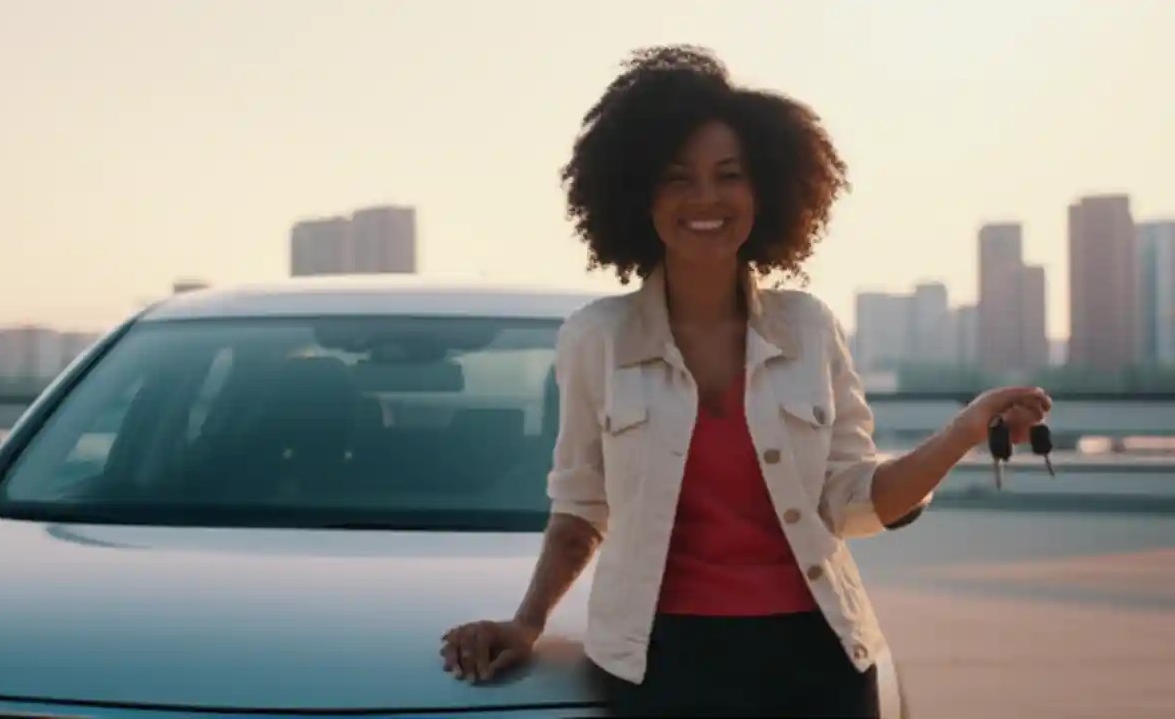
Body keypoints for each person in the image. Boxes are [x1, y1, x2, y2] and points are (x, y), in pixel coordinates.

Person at [439, 45, 1051, 717]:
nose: (706, 198)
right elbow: (581, 510)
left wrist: (963, 433)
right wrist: (527, 623)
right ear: (640, 195)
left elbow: (857, 500)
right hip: (660, 667)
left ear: (765, 191)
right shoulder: (596, 339)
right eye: (679, 179)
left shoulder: (809, 329)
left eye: (728, 175)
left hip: (819, 662)